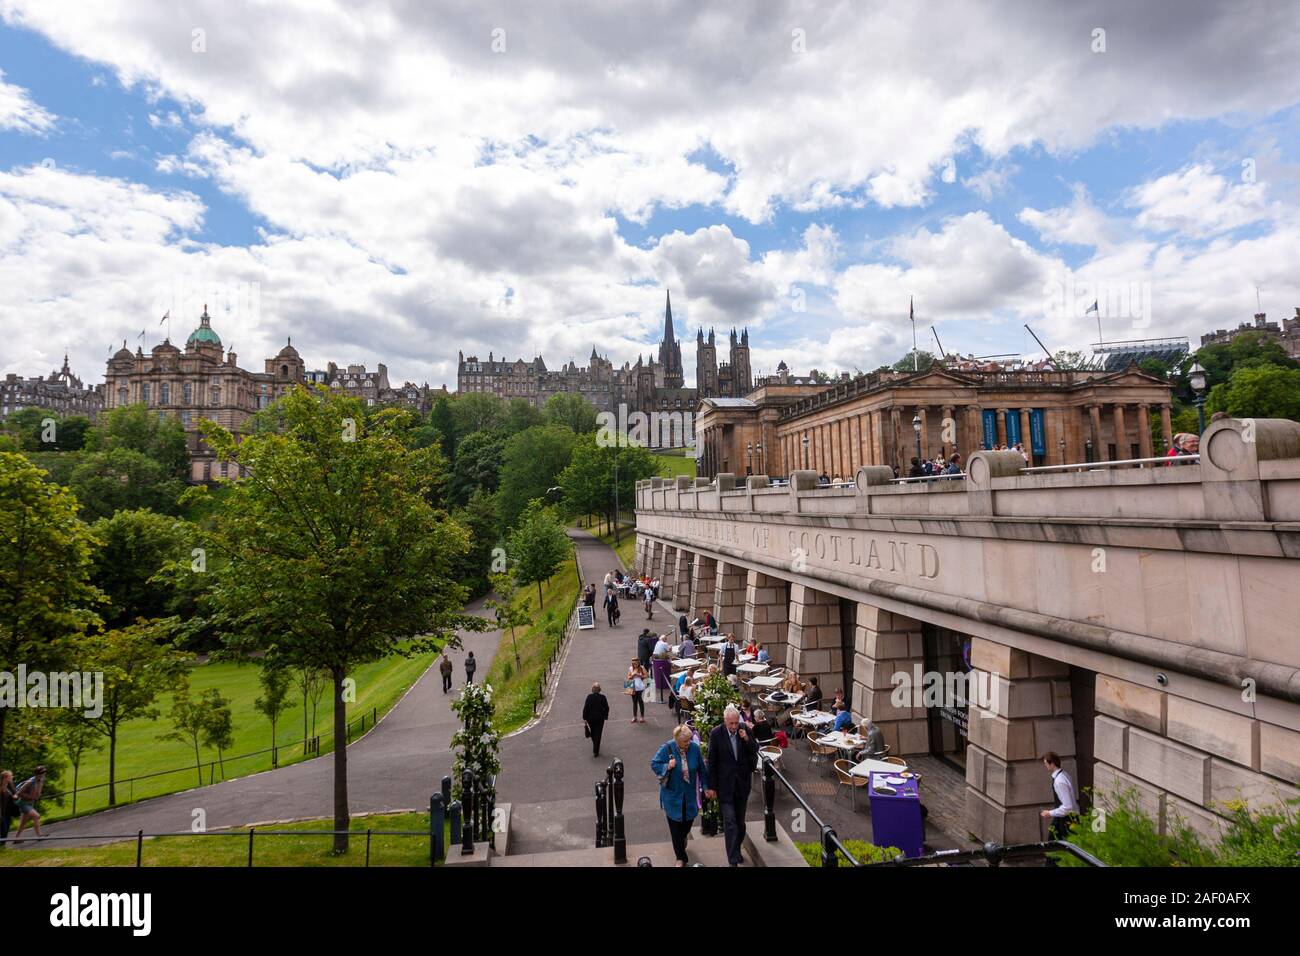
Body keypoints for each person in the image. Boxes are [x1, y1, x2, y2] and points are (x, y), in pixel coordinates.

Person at [706, 705, 759, 866]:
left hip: (742, 785)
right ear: (725, 721)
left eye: (736, 723)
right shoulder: (716, 734)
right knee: (730, 823)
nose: (734, 727)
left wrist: (746, 739)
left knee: (740, 823)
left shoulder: (744, 730)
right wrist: (712, 787)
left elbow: (755, 749)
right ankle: (733, 860)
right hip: (725, 786)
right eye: (731, 724)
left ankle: (735, 849)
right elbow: (712, 762)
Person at [652, 725, 709, 866]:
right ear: (677, 740)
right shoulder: (667, 748)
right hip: (672, 795)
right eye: (685, 741)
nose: (688, 743)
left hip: (689, 795)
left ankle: (682, 839)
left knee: (687, 823)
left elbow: (702, 770)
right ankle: (680, 858)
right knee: (675, 827)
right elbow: (654, 763)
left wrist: (706, 787)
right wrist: (667, 766)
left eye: (689, 740)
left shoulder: (694, 749)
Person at [1039, 751, 1079, 841]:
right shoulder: (1064, 774)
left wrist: (1050, 813)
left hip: (1066, 820)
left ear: (1052, 764)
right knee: (1053, 844)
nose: (1045, 766)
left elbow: (1068, 806)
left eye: (1046, 763)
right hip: (1064, 818)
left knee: (1056, 846)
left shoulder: (1060, 781)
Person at [11, 766, 45, 840]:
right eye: (41, 773)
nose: (42, 774)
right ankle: (39, 836)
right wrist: (29, 797)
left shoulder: (41, 780)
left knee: (23, 823)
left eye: (43, 772)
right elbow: (19, 792)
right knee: (36, 816)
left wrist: (37, 795)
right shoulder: (30, 782)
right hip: (24, 803)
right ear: (36, 774)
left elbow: (38, 793)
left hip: (30, 803)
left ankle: (16, 839)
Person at [582, 683, 610, 757]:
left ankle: (595, 744)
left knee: (593, 731)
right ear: (599, 690)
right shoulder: (603, 697)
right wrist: (605, 716)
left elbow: (586, 708)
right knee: (598, 733)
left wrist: (584, 718)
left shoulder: (589, 697)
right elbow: (607, 707)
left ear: (592, 689)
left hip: (590, 719)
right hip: (600, 718)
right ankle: (596, 750)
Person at [0, 770, 15, 842]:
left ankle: (3, 846)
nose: (12, 777)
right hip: (1, 813)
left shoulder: (10, 787)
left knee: (5, 831)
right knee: (4, 829)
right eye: (10, 776)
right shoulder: (1, 787)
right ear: (6, 777)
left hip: (7, 812)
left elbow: (15, 794)